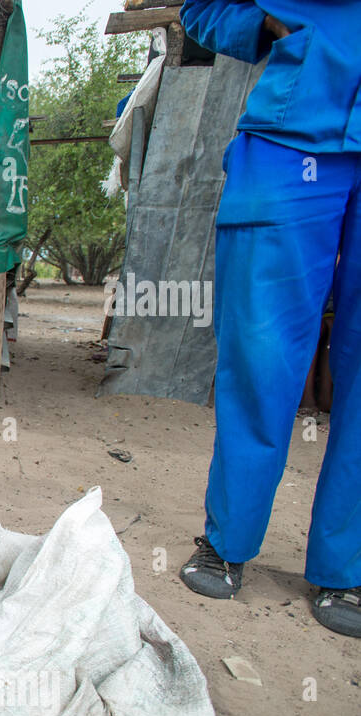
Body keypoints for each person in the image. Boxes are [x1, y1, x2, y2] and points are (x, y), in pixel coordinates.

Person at [177, 2, 360, 638]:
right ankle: (229, 541)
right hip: (291, 140)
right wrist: (270, 25)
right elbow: (199, 7)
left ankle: (346, 565)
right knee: (262, 353)